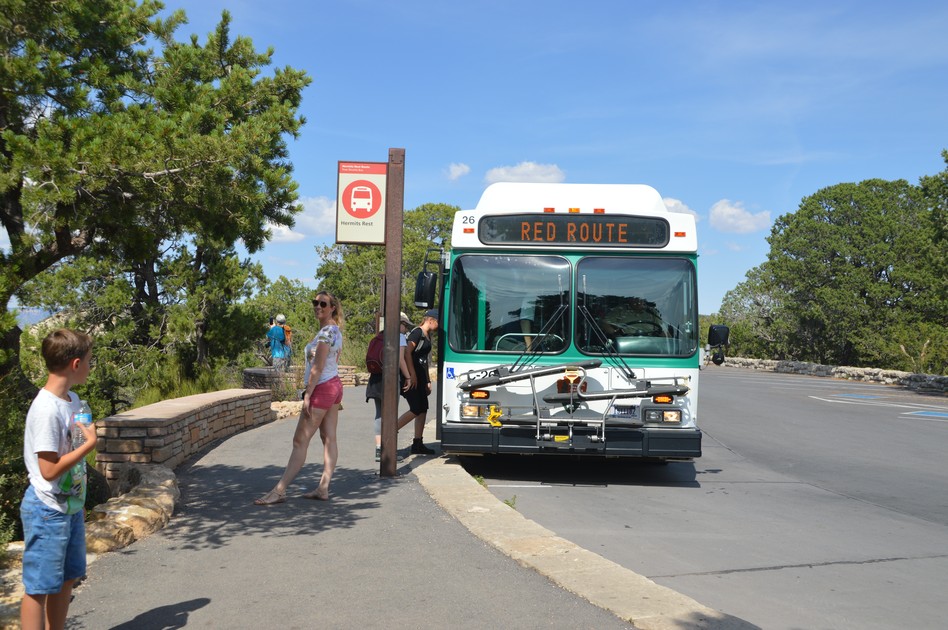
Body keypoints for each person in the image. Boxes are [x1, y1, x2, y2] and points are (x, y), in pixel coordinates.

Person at [20, 328, 97, 630]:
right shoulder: (46, 410)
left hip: (69, 504)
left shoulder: (72, 400)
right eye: (89, 361)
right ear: (76, 364)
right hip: (46, 508)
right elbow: (49, 470)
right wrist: (90, 445)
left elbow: (72, 448)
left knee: (68, 577)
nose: (90, 366)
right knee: (39, 587)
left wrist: (79, 498)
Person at [255, 292, 343, 505]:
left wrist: (308, 394)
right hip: (334, 385)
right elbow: (333, 360)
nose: (318, 306)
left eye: (323, 304)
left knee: (299, 441)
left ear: (332, 307)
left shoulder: (326, 333)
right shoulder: (334, 330)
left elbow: (317, 367)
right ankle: (323, 488)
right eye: (315, 302)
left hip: (322, 388)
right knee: (329, 438)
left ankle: (279, 491)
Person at [366, 312, 414, 462]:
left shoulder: (381, 335)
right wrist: (408, 377)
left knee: (379, 414)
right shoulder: (399, 337)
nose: (406, 329)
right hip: (390, 379)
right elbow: (400, 360)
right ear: (399, 323)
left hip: (375, 379)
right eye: (405, 325)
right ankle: (389, 451)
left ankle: (379, 449)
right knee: (391, 415)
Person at [397, 309, 438, 455]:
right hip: (410, 376)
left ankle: (418, 442)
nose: (439, 326)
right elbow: (407, 353)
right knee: (416, 408)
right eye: (438, 322)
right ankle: (390, 431)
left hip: (420, 377)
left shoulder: (427, 335)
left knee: (423, 408)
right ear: (430, 320)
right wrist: (411, 374)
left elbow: (424, 361)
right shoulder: (417, 333)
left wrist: (427, 381)